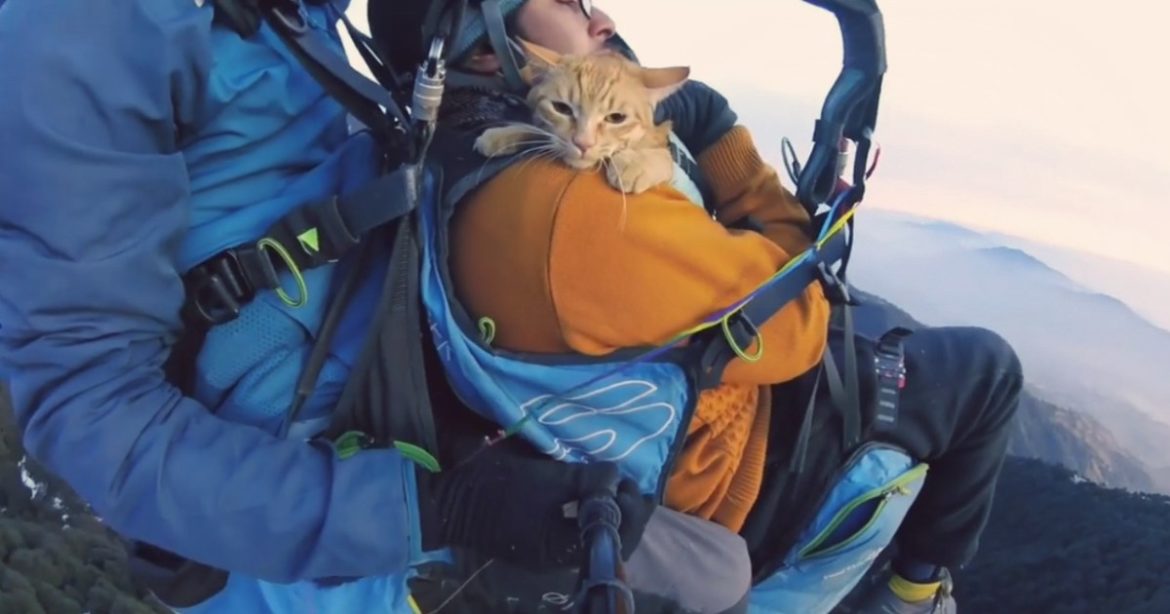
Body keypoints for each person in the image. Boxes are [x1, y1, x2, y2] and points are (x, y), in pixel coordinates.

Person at [0, 1, 660, 612]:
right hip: (279, 571)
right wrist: (432, 509)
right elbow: (96, 416)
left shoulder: (300, 18)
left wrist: (459, 444)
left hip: (371, 530)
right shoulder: (88, 27)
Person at [372, 1, 1024, 613]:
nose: (601, 18)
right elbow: (799, 324)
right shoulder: (570, 210)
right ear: (488, 48)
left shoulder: (450, 153)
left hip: (594, 427)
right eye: (569, 2)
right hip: (717, 480)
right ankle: (916, 594)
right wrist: (729, 152)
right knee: (985, 372)